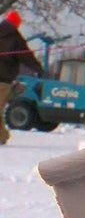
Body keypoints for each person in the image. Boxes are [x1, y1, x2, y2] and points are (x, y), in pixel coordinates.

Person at [0, 10, 45, 145]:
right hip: (4, 80)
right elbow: (27, 57)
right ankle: (2, 136)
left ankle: (2, 136)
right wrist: (39, 69)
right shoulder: (16, 39)